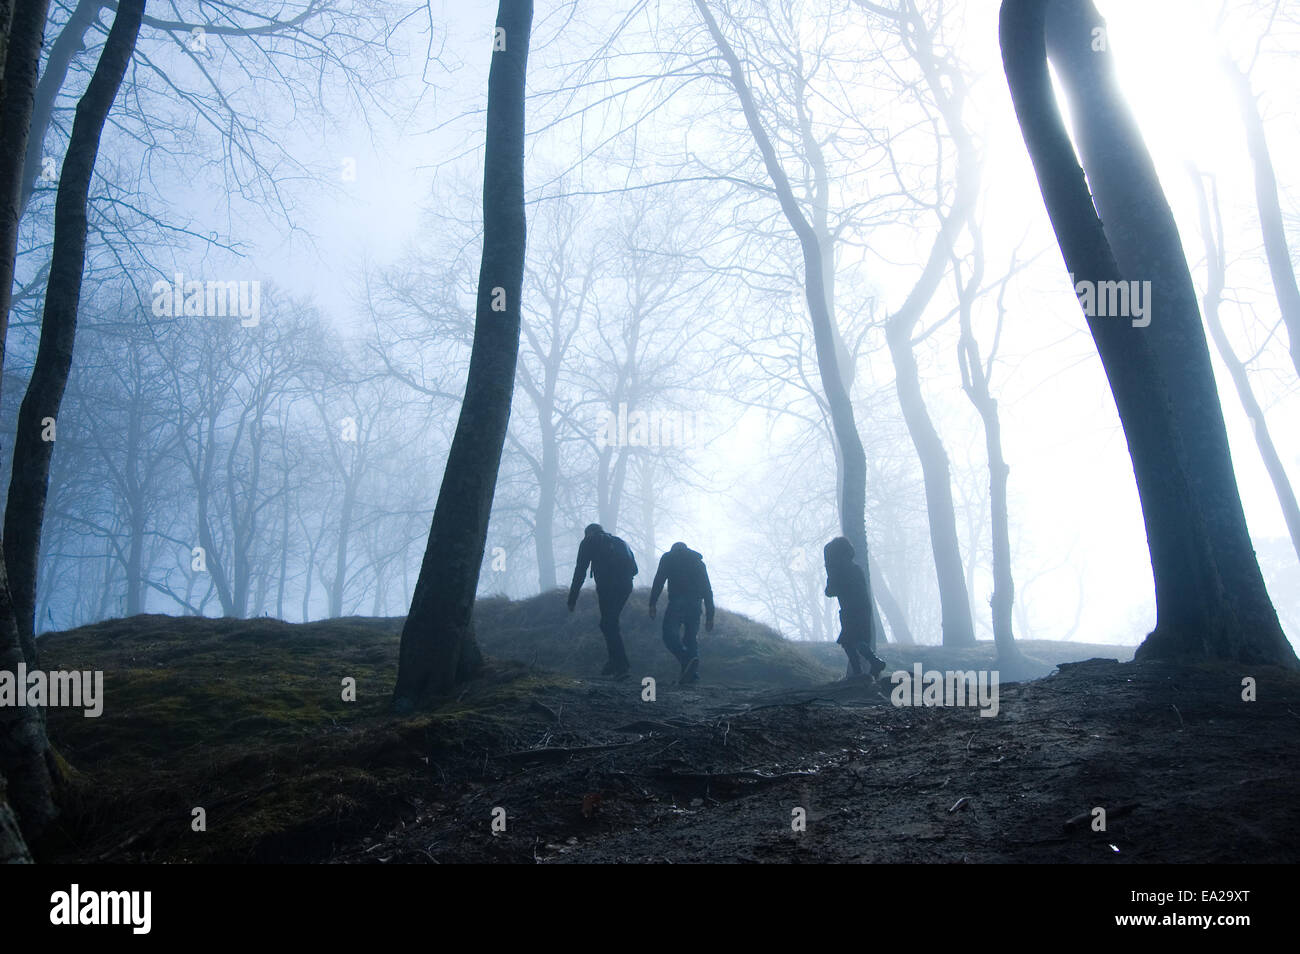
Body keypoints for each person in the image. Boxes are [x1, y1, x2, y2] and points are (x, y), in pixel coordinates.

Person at [568, 523, 638, 678]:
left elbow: (580, 570)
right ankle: (614, 662)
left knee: (608, 623)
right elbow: (635, 570)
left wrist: (572, 598)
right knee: (609, 623)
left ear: (588, 533)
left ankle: (621, 665)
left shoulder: (589, 541)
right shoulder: (621, 542)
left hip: (607, 586)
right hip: (626, 586)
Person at [648, 542, 715, 684]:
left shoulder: (669, 558)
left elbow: (659, 580)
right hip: (696, 604)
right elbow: (707, 589)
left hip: (677, 603)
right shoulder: (698, 562)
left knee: (669, 635)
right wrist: (710, 616)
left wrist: (652, 603)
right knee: (690, 639)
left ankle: (686, 660)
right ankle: (692, 675)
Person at [823, 536, 886, 680]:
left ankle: (866, 666)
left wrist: (830, 573)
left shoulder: (840, 572)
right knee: (854, 640)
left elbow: (830, 591)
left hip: (850, 610)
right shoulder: (856, 568)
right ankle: (867, 666)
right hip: (862, 608)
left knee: (849, 640)